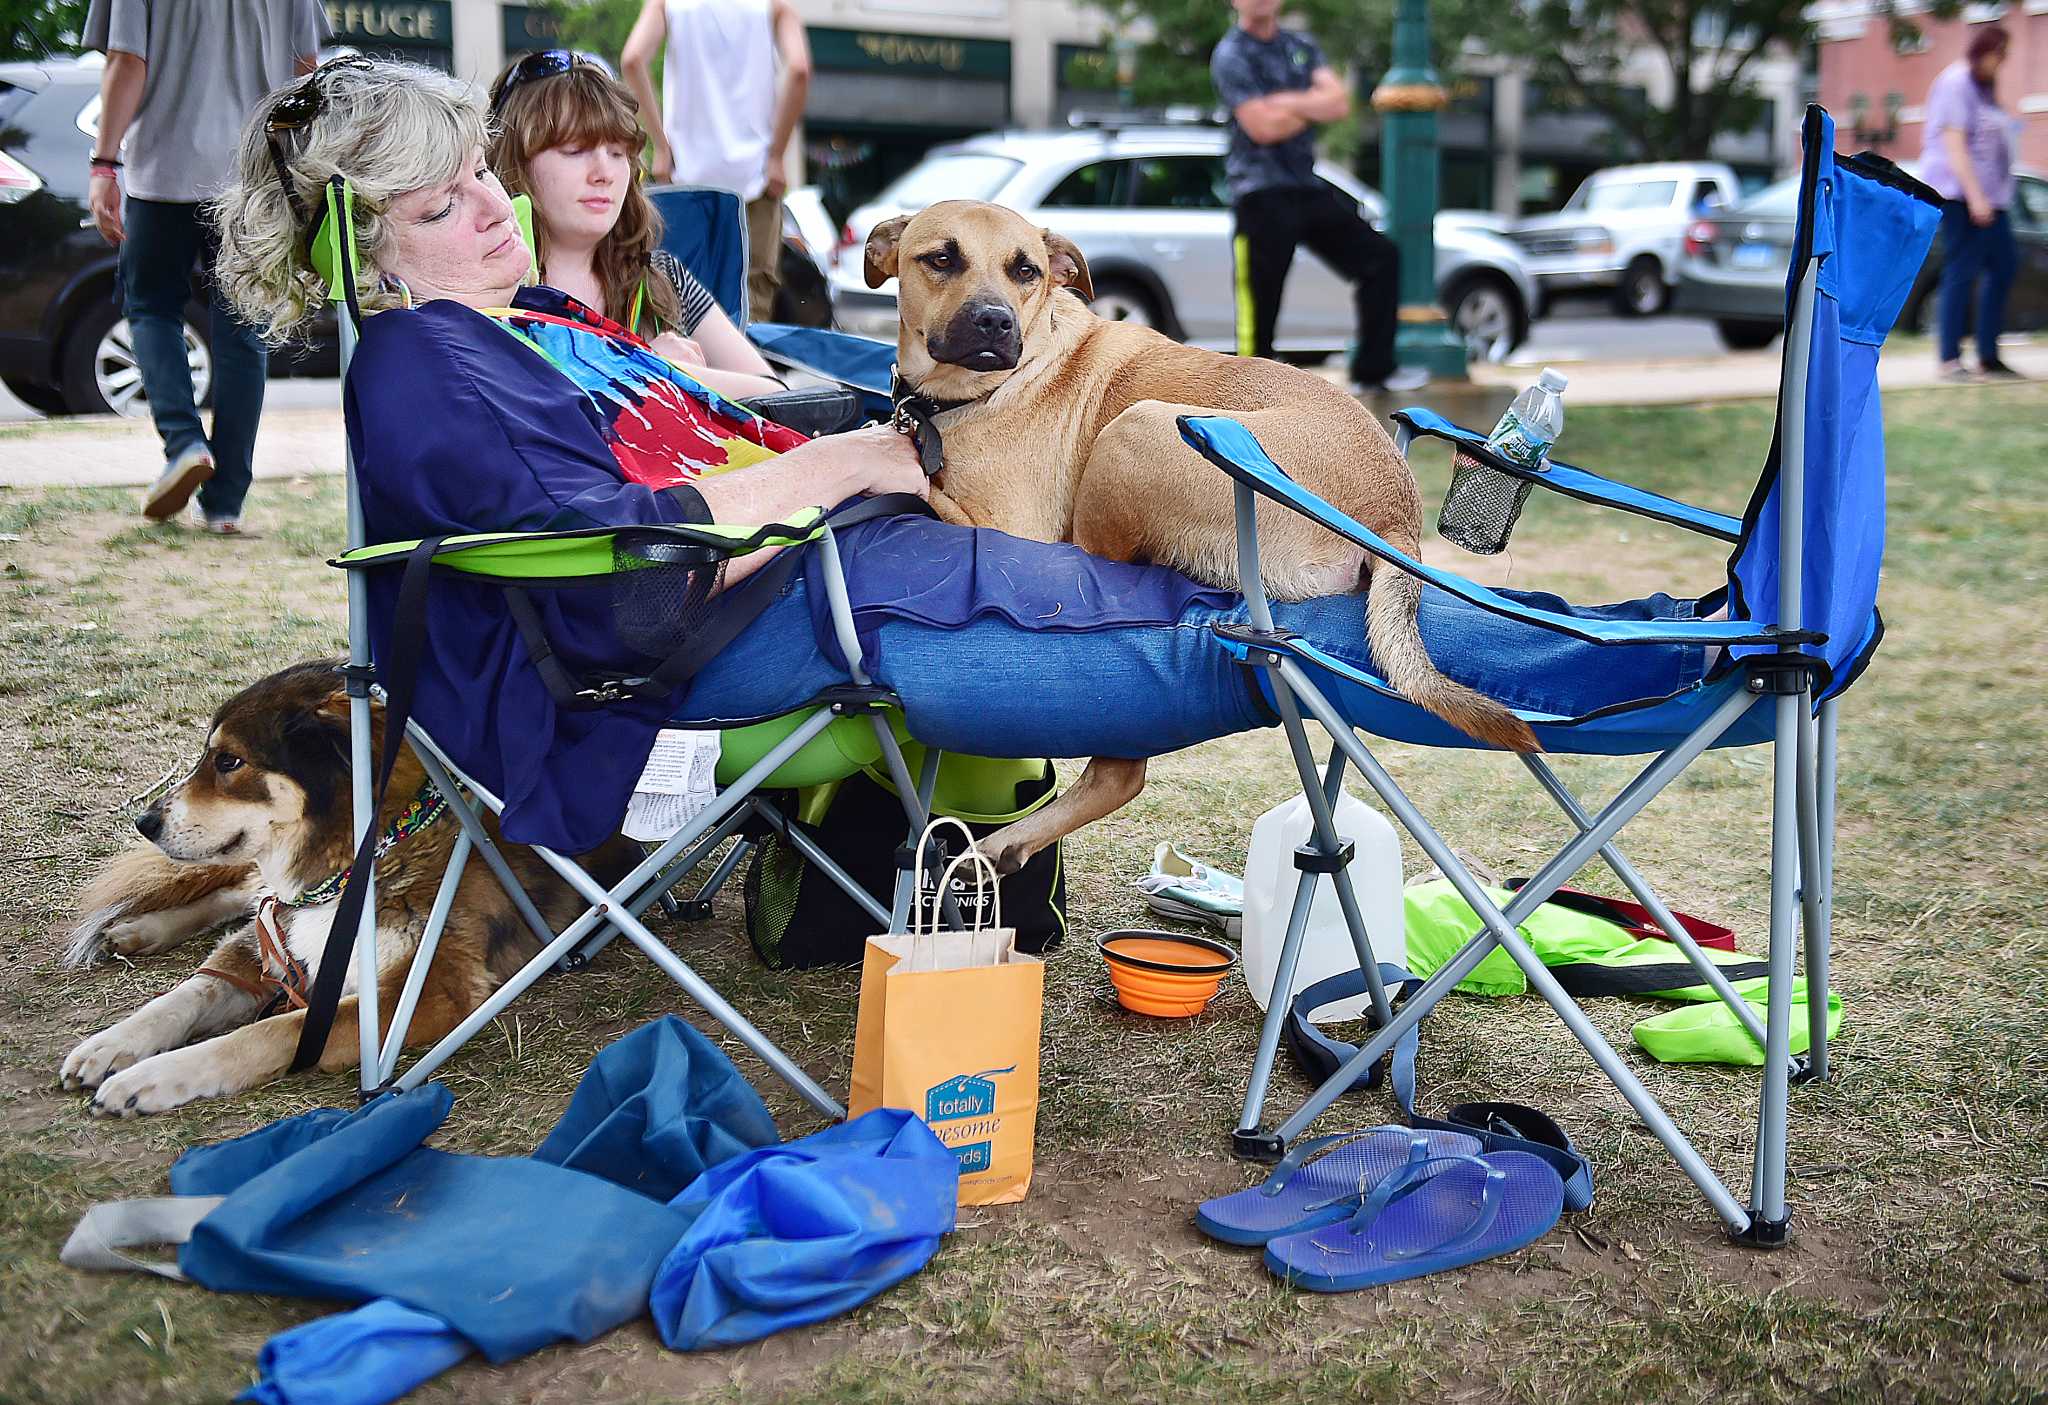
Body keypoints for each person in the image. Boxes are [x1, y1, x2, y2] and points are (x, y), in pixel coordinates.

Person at [213, 59, 1710, 852]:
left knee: (1280, 605)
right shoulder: (420, 362)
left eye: (480, 177)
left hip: (847, 570)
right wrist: (844, 470)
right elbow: (614, 548)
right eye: (436, 206)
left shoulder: (533, 316)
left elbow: (704, 423)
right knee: (1261, 637)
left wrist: (855, 416)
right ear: (366, 253)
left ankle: (1658, 645)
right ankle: (1679, 671)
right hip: (768, 620)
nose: (483, 211)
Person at [82, 0, 327, 534]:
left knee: (151, 309)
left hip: (160, 173)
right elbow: (304, 71)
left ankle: (185, 444)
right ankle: (226, 505)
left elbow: (128, 60)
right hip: (250, 176)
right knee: (242, 330)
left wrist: (104, 165)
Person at [487, 49, 786, 401]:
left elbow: (776, 396)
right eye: (574, 150)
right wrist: (643, 366)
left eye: (618, 153)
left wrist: (675, 373)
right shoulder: (490, 284)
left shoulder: (660, 278)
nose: (604, 174)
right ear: (515, 164)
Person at [1211, 0, 1424, 397]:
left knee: (1381, 257)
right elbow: (1262, 128)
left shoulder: (1300, 45)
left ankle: (1373, 370)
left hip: (1305, 187)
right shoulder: (1231, 54)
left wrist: (1284, 103)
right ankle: (1253, 393)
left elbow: (1339, 103)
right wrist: (1309, 103)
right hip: (1258, 193)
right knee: (1260, 302)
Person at [621, 0, 812, 324]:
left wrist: (662, 146)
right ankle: (746, 370)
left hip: (686, 178)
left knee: (679, 290)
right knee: (751, 297)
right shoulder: (772, 6)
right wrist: (776, 155)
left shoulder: (670, 5)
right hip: (755, 178)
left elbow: (632, 59)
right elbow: (799, 69)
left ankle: (688, 372)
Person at [1918, 25, 2023, 382]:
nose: (2002, 63)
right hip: (1962, 196)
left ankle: (1988, 356)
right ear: (1984, 51)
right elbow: (1955, 145)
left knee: (2005, 265)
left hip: (1993, 198)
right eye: (2000, 55)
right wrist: (1976, 196)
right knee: (1961, 271)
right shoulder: (1955, 83)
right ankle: (1949, 359)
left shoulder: (1985, 89)